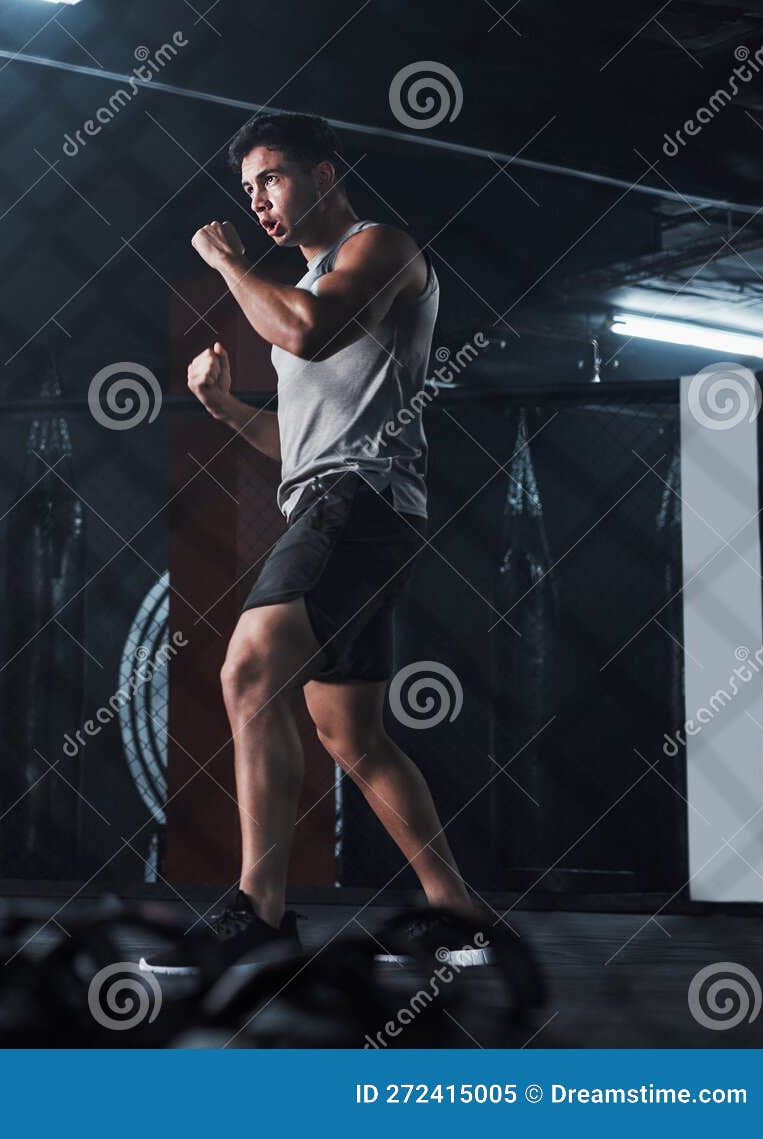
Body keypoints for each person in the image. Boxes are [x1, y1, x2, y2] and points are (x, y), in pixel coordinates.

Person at [142, 112, 489, 975]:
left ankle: (258, 914)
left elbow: (306, 331)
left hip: (359, 501)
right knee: (351, 734)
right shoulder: (303, 285)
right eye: (248, 188)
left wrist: (226, 264)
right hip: (335, 498)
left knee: (249, 670)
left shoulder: (378, 249)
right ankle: (460, 918)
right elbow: (297, 445)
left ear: (325, 175)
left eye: (272, 178)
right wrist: (226, 408)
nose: (258, 201)